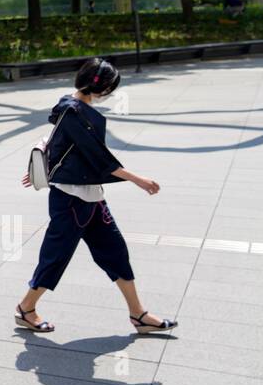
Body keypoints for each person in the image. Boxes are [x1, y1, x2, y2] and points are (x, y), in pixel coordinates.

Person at [15, 58, 178, 335]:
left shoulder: (73, 107)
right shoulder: (75, 112)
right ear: (102, 89)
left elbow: (56, 141)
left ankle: (138, 314)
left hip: (90, 197)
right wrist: (138, 180)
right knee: (56, 256)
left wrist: (43, 167)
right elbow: (97, 156)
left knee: (115, 251)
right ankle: (26, 308)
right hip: (70, 200)